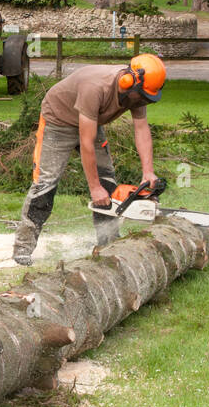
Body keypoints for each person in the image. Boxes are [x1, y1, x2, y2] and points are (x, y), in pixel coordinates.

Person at [12, 54, 166, 266]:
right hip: (58, 121)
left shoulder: (138, 92)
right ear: (127, 81)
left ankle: (108, 243)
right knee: (44, 186)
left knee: (107, 183)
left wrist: (148, 173)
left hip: (91, 122)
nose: (142, 102)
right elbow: (86, 143)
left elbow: (141, 129)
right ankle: (22, 249)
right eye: (141, 96)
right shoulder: (96, 87)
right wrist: (94, 188)